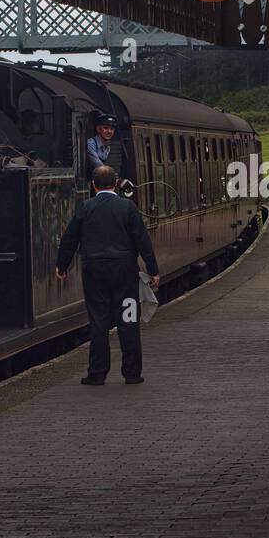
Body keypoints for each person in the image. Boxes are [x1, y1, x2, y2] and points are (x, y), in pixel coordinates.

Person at [55, 165, 160, 385]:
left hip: (94, 270)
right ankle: (131, 373)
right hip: (124, 270)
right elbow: (142, 240)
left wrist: (61, 265)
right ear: (115, 184)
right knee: (128, 320)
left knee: (98, 321)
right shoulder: (128, 207)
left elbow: (70, 239)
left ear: (93, 185)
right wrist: (153, 270)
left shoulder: (86, 207)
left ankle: (97, 372)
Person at [85, 114, 119, 178]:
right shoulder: (90, 143)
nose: (109, 131)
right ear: (98, 129)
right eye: (106, 128)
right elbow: (98, 165)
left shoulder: (107, 147)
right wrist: (114, 175)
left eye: (112, 129)